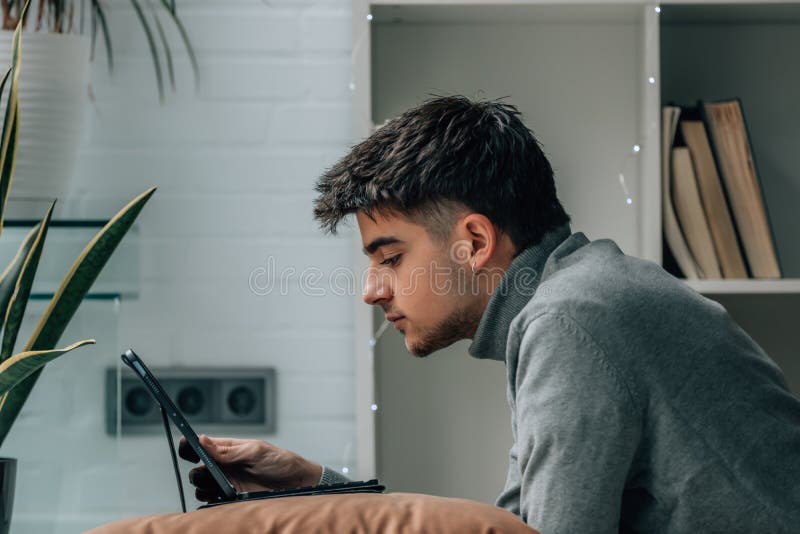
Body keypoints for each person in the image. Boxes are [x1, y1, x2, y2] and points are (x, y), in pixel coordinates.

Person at [180, 95, 800, 532]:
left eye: (390, 258)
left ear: (474, 241)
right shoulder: (574, 298)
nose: (372, 291)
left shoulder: (571, 320)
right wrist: (314, 486)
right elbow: (506, 529)